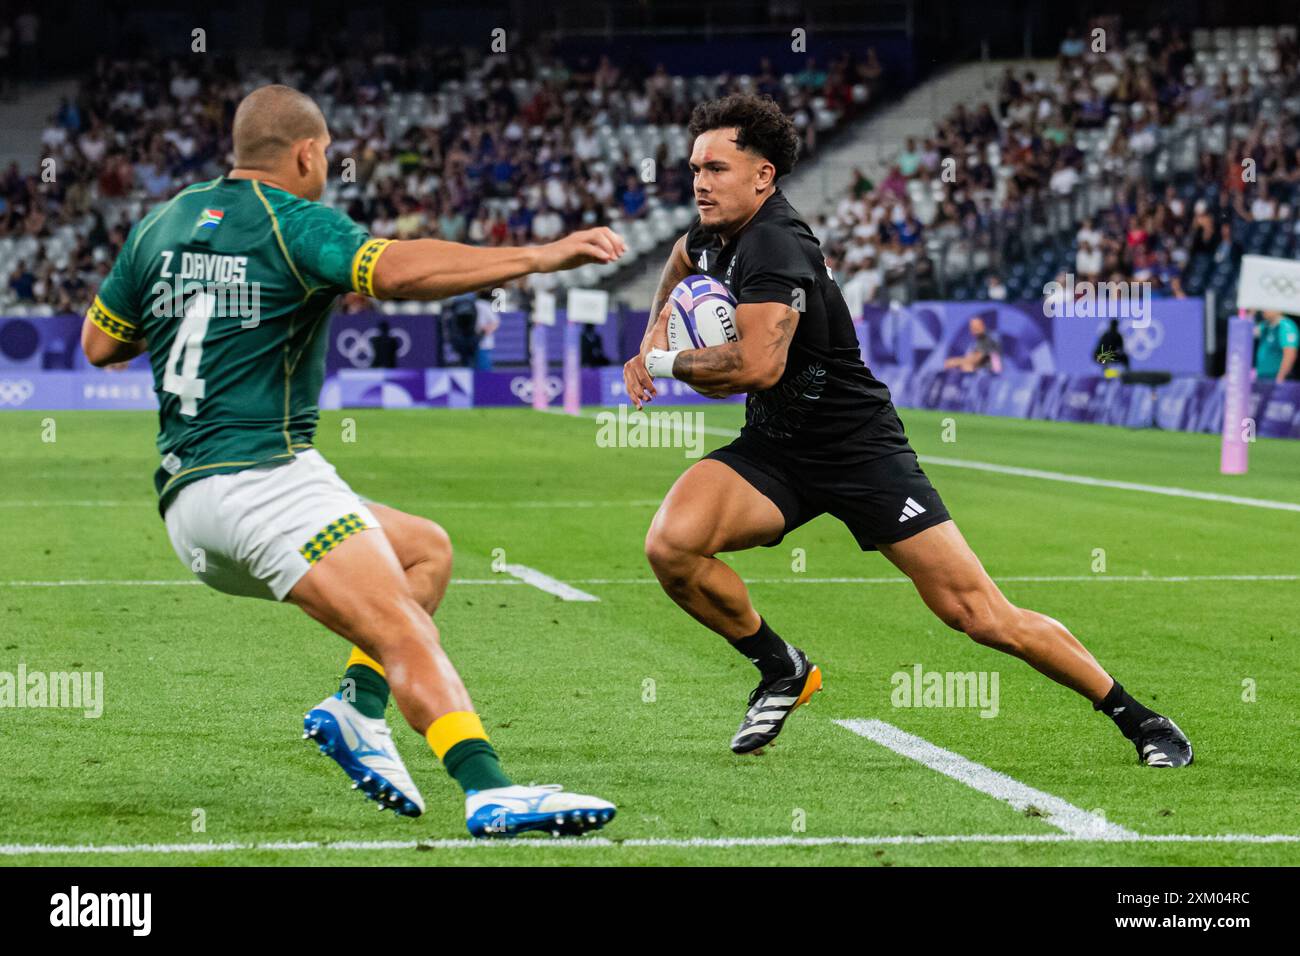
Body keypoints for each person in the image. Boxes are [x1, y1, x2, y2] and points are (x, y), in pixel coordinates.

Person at [81, 84, 627, 836]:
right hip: (264, 481)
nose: (328, 165)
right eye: (328, 154)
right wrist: (536, 256)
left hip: (187, 508)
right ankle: (488, 789)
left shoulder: (161, 222)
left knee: (425, 551)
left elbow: (100, 344)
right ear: (307, 152)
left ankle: (356, 710)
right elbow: (398, 272)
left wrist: (189, 299)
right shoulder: (297, 223)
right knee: (404, 628)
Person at [622, 92, 1190, 766]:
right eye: (695, 169)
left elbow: (757, 365)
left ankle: (1142, 720)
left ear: (763, 175)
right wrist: (655, 321)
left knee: (979, 615)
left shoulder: (775, 242)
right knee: (673, 546)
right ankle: (782, 668)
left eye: (716, 168)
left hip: (860, 452)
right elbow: (683, 259)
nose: (700, 182)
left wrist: (661, 359)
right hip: (777, 451)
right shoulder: (718, 235)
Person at [1256, 310, 1299, 382]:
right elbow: (1245, 332)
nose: (1263, 310)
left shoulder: (1286, 326)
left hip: (1275, 377)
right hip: (1263, 376)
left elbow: (1290, 354)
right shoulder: (1266, 325)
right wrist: (1251, 313)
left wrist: (1280, 378)